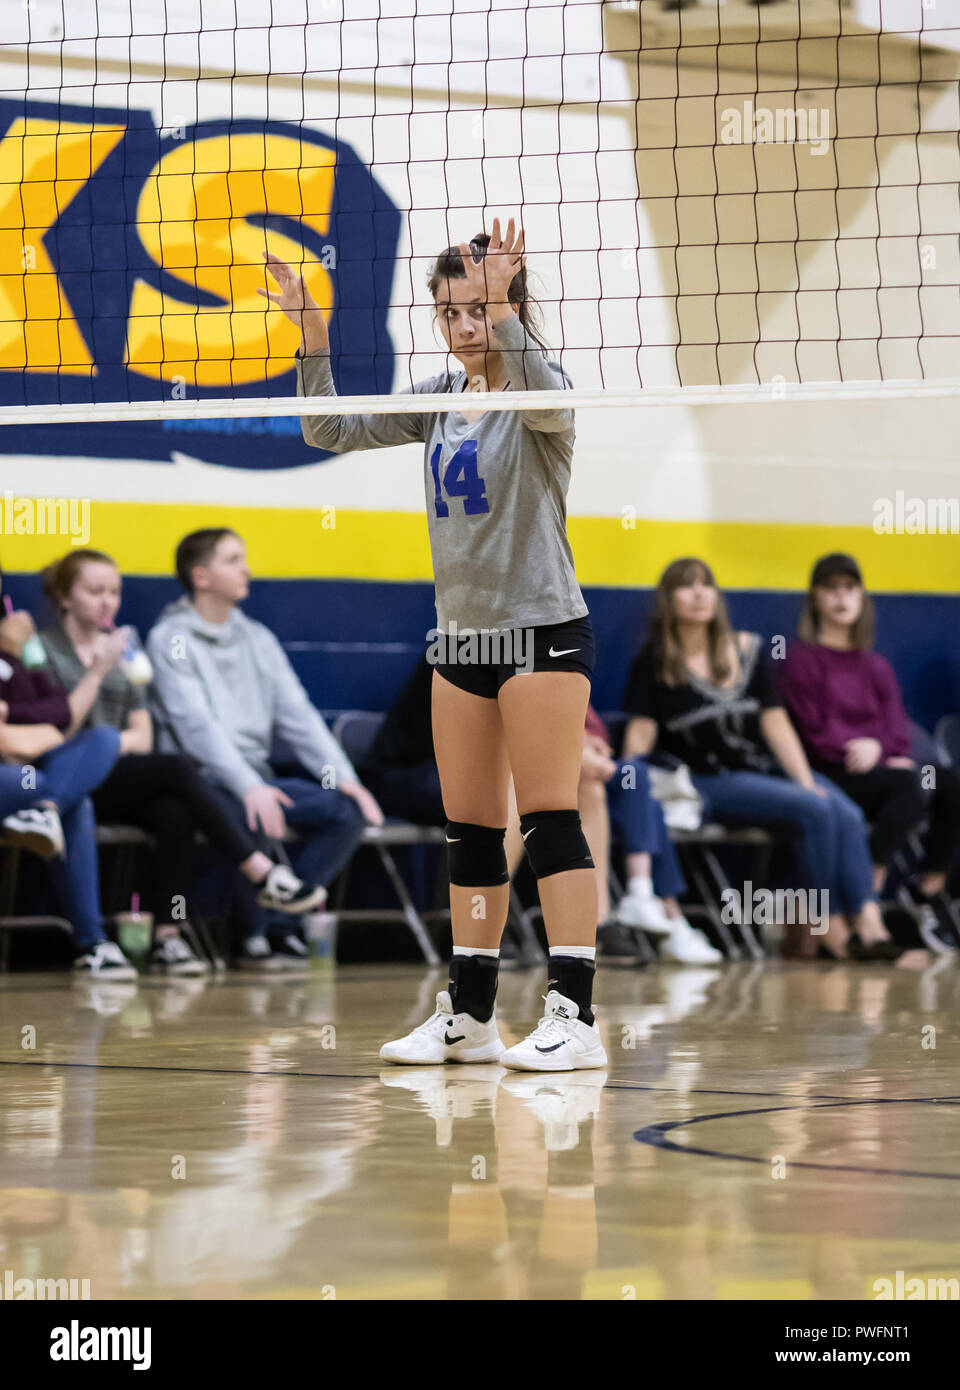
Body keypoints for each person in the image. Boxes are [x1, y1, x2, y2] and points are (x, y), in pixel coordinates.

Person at [265, 215, 606, 1069]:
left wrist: (503, 309)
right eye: (450, 312)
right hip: (461, 642)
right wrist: (311, 333)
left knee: (552, 818)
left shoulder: (538, 396)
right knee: (471, 831)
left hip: (540, 633)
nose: (464, 327)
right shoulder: (438, 400)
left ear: (510, 308)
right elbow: (327, 431)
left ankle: (575, 1014)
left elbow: (553, 398)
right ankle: (472, 1012)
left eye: (479, 311)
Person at [39, 549, 327, 976]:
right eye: (94, 591)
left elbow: (143, 736)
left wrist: (104, 739)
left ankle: (167, 939)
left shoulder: (127, 653)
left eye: (114, 592)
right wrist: (97, 673)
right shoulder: (42, 651)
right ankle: (263, 873)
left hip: (119, 777)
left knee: (173, 811)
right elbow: (56, 731)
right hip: (65, 776)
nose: (107, 602)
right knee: (175, 769)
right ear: (65, 597)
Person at [621, 558, 908, 962]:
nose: (700, 593)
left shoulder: (749, 649)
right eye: (686, 586)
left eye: (707, 584)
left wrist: (804, 777)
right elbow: (642, 731)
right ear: (668, 600)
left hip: (761, 770)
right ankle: (831, 928)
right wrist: (629, 777)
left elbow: (776, 724)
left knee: (845, 812)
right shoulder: (655, 662)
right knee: (817, 809)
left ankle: (868, 922)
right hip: (707, 781)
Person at [147, 528, 378, 967]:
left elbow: (300, 716)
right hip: (203, 784)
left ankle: (281, 925)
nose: (246, 569)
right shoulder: (169, 640)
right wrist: (248, 785)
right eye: (233, 559)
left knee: (345, 813)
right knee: (250, 810)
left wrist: (347, 779)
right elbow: (196, 727)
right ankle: (250, 940)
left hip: (258, 778)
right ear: (201, 576)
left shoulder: (258, 638)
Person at [781, 552, 960, 900]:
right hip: (831, 772)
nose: (841, 597)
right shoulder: (800, 661)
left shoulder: (875, 665)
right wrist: (861, 749)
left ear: (862, 598)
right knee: (908, 785)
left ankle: (930, 885)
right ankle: (869, 884)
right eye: (831, 589)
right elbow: (811, 732)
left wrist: (879, 748)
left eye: (850, 588)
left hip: (879, 769)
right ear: (815, 598)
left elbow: (895, 727)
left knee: (948, 782)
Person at [0, 563, 135, 978]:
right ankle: (91, 941)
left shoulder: (23, 643)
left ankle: (47, 808)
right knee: (74, 800)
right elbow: (19, 734)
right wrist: (7, 655)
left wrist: (26, 722)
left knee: (104, 738)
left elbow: (58, 712)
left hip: (24, 771)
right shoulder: (13, 643)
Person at [579, 704, 722, 964]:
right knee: (639, 779)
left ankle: (646, 897)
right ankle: (665, 910)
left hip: (598, 771)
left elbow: (596, 734)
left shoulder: (575, 680)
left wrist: (596, 745)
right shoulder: (534, 673)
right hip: (563, 771)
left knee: (639, 782)